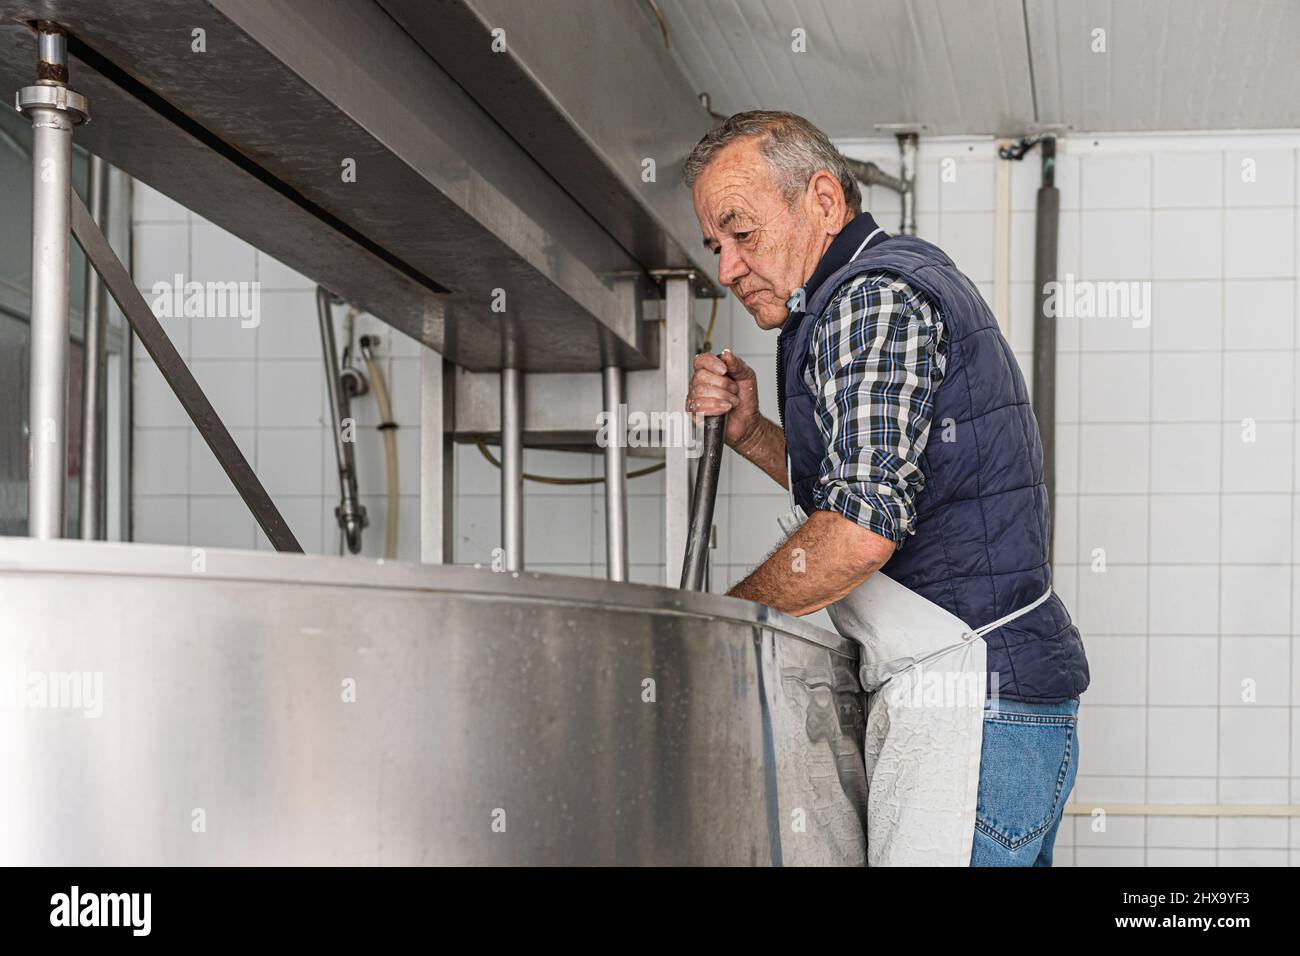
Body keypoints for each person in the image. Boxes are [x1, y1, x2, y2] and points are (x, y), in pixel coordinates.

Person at [683, 110, 1089, 866]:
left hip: (971, 704)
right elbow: (878, 485)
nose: (727, 269)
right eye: (716, 246)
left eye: (743, 234)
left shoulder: (868, 298)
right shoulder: (864, 289)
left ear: (824, 201)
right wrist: (751, 432)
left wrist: (716, 631)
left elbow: (862, 528)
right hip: (992, 704)